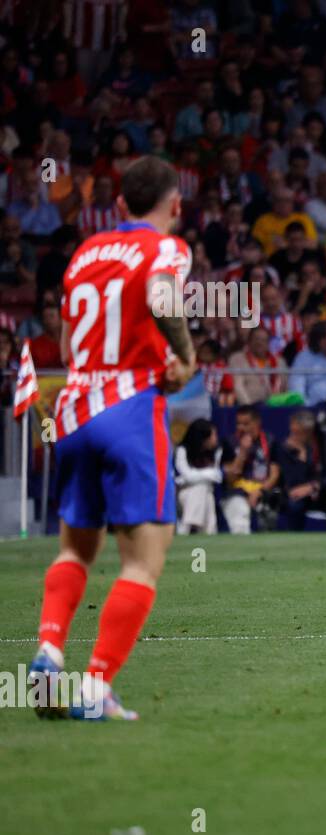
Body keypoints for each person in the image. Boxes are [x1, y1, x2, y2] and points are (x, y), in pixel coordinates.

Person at [28, 156, 197, 721]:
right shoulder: (165, 248)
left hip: (75, 407)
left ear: (119, 205)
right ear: (175, 205)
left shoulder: (85, 253)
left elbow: (73, 343)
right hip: (128, 409)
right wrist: (185, 355)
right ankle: (95, 687)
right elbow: (159, 293)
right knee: (143, 559)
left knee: (75, 548)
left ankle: (50, 650)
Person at [276, 409, 326, 531]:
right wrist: (301, 457)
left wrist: (314, 486)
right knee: (293, 500)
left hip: (324, 491)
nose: (292, 435)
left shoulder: (325, 441)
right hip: (301, 494)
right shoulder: (287, 448)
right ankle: (294, 538)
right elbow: (291, 482)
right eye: (292, 431)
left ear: (308, 431)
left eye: (297, 432)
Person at [221, 404, 281, 533]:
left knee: (270, 512)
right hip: (237, 491)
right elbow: (230, 478)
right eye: (238, 424)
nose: (241, 428)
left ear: (257, 422)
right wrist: (242, 451)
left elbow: (274, 474)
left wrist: (259, 491)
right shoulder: (229, 442)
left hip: (263, 490)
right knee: (240, 515)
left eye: (246, 424)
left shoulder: (270, 441)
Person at [175, 419, 223, 534]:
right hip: (184, 492)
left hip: (206, 492)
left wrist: (193, 476)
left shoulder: (217, 451)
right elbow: (186, 475)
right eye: (213, 435)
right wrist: (208, 474)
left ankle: (187, 527)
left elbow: (217, 476)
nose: (216, 438)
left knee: (203, 489)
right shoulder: (182, 450)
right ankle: (205, 530)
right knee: (201, 488)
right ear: (203, 438)